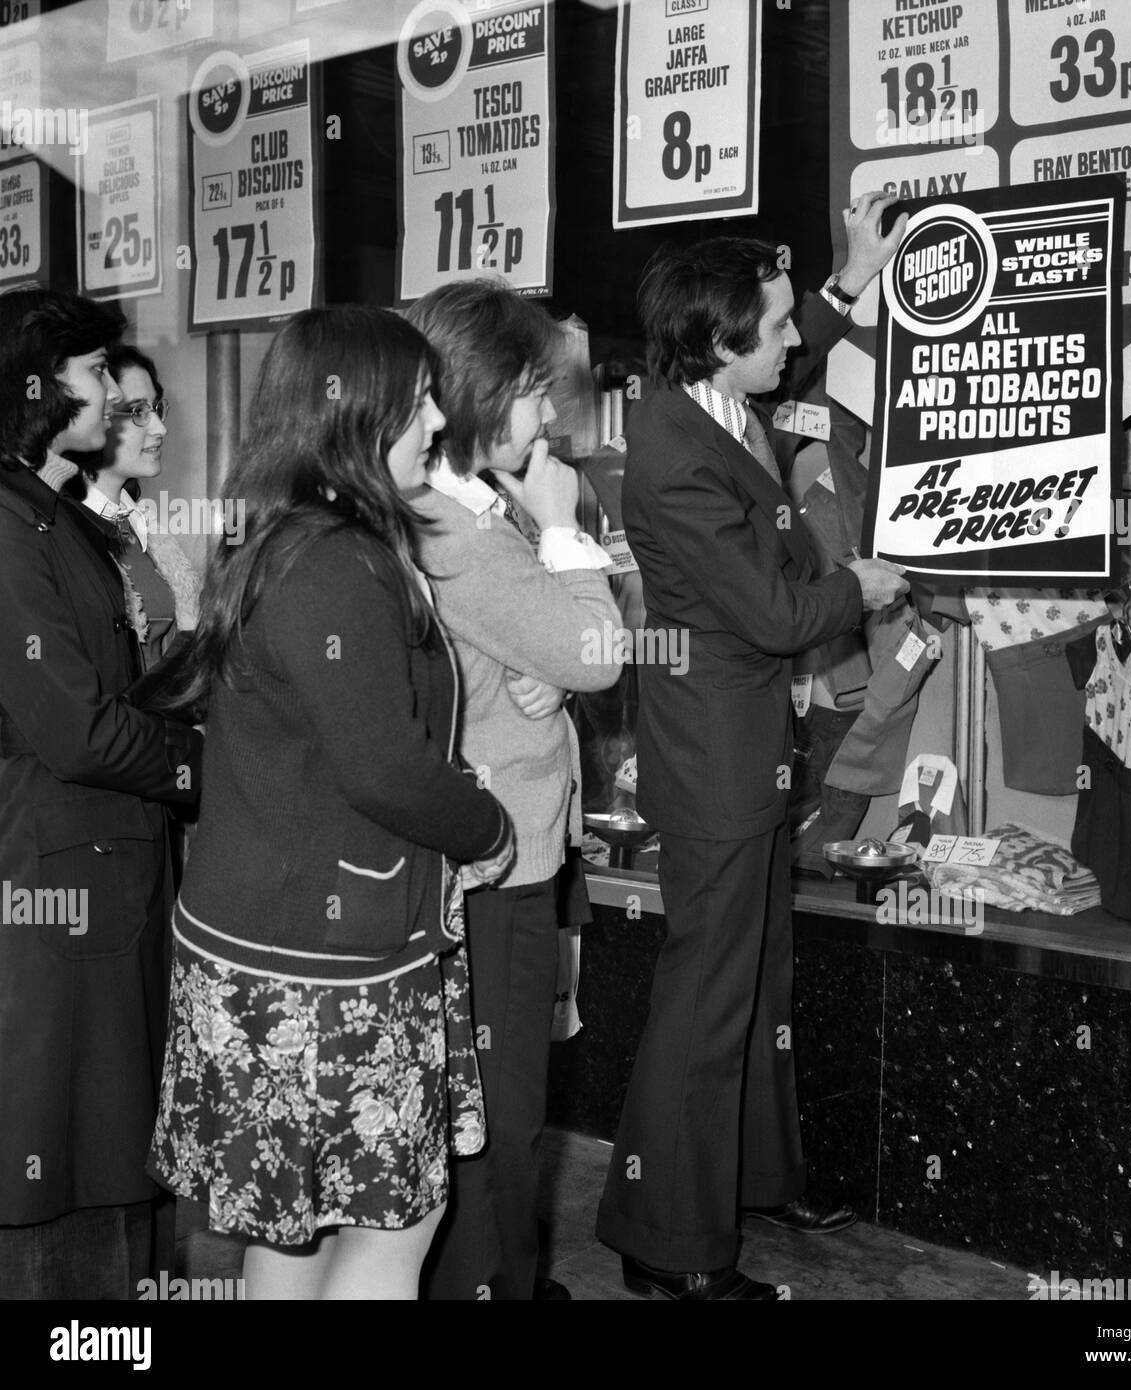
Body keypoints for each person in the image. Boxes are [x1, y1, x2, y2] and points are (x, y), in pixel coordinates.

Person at [146, 304, 514, 1300]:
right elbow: (382, 768)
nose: (437, 419)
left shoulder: (288, 538)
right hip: (322, 962)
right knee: (397, 1214)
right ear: (354, 412)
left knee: (296, 1221)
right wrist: (486, 824)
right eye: (419, 398)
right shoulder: (335, 561)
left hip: (284, 941)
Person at [595, 192, 911, 1299]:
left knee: (757, 977)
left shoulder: (714, 405)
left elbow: (789, 344)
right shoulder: (674, 457)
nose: (792, 343)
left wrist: (845, 278)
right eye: (772, 329)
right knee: (708, 993)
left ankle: (748, 1176)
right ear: (718, 344)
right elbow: (777, 618)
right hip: (716, 757)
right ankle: (663, 1241)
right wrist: (859, 585)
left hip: (748, 746)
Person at [407, 280, 624, 1301]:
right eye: (537, 393)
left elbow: (540, 656)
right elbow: (598, 648)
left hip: (497, 853)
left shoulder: (467, 517)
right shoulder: (464, 532)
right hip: (495, 868)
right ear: (487, 392)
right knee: (499, 1114)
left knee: (492, 1110)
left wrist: (538, 662)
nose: (549, 418)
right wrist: (564, 522)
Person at [0, 289, 203, 1298]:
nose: (109, 399)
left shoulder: (50, 515)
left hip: (102, 883)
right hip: (57, 892)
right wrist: (200, 765)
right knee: (61, 1191)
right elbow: (73, 724)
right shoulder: (9, 525)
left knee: (112, 1172)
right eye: (89, 377)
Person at [66, 344, 202, 669]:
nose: (160, 428)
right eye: (138, 411)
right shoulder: (67, 530)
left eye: (156, 407)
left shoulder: (140, 524)